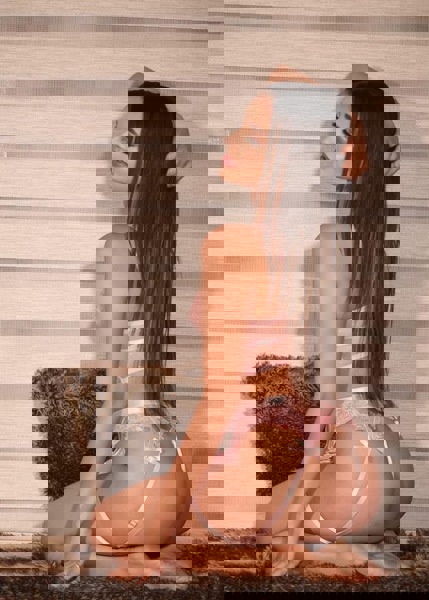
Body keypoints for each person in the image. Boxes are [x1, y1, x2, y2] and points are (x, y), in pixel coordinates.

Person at [184, 65, 414, 576]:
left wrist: (299, 492)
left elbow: (326, 399)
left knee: (244, 522)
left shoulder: (328, 244)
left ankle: (327, 540)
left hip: (345, 467)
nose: (328, 150)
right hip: (380, 466)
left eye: (338, 135)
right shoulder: (371, 239)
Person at [44, 73, 193, 582]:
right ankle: (146, 552)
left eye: (125, 141)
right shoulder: (168, 252)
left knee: (60, 524)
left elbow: (110, 391)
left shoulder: (117, 249)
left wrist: (82, 520)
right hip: (172, 494)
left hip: (133, 489)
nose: (113, 153)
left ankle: (118, 548)